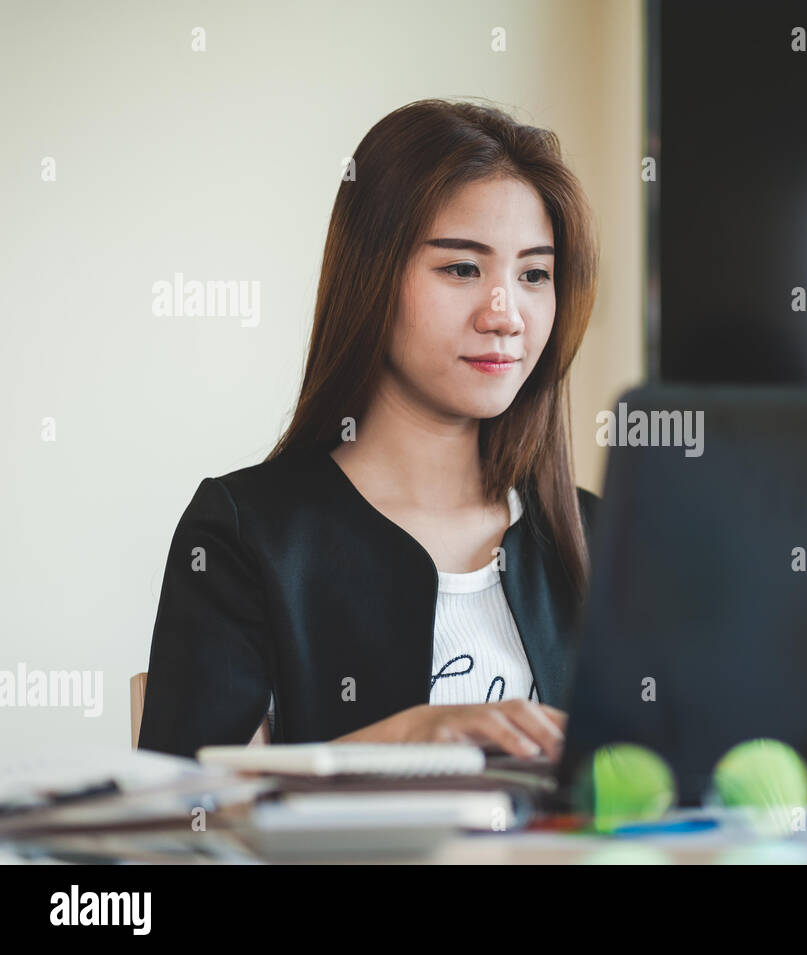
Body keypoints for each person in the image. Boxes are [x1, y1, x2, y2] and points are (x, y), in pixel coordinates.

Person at [138, 98, 600, 761]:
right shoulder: (243, 533)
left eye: (534, 274)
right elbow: (191, 816)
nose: (505, 315)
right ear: (372, 278)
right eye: (462, 268)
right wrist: (406, 738)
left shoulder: (600, 540)